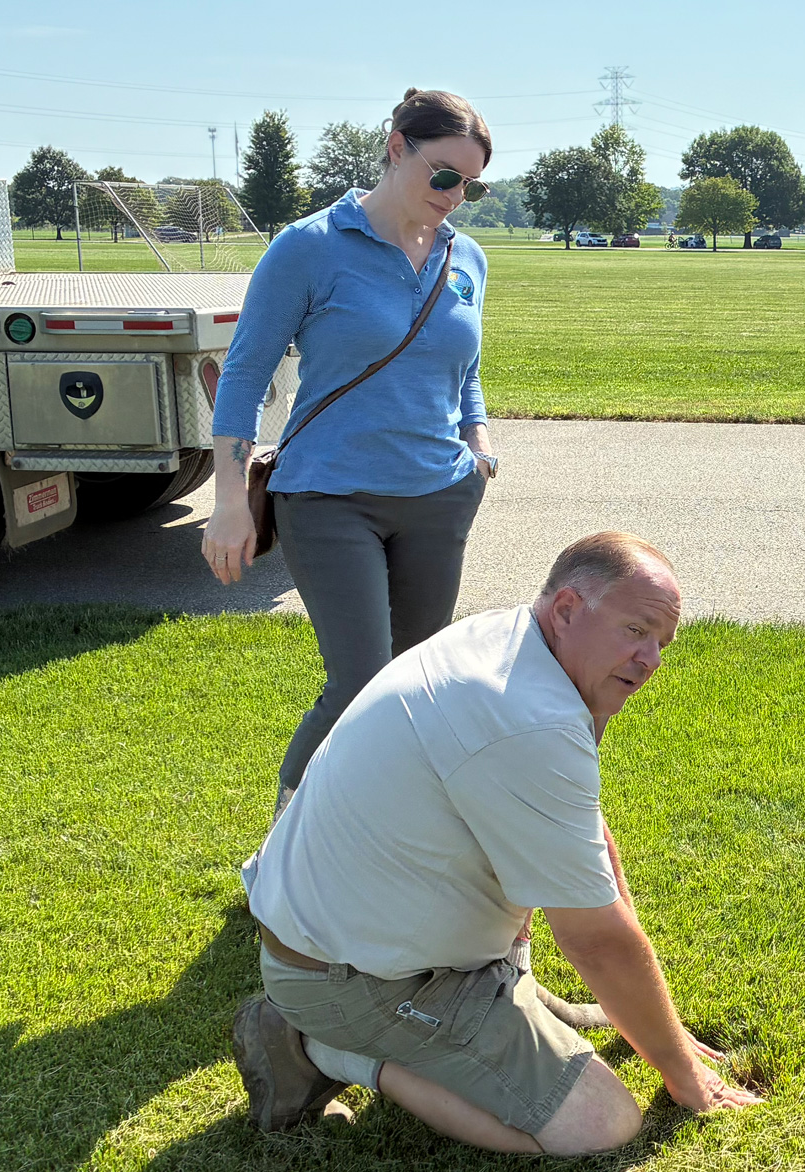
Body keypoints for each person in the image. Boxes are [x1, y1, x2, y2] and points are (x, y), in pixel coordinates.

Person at [232, 533, 763, 1155]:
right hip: (344, 980)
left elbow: (584, 836)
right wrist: (684, 1073)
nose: (650, 658)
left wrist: (654, 1029)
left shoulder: (515, 645)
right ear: (567, 609)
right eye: (635, 630)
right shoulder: (526, 717)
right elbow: (595, 938)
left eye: (660, 643)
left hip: (347, 942)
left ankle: (507, 988)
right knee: (601, 1123)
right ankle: (317, 1047)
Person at [202, 88, 500, 813]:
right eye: (444, 176)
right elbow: (244, 374)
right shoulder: (309, 247)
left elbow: (463, 370)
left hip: (439, 498)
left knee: (413, 680)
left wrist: (480, 445)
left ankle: (374, 837)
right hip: (330, 498)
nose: (456, 197)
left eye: (472, 185)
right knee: (361, 678)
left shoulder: (468, 259)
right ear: (397, 147)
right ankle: (286, 843)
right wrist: (229, 498)